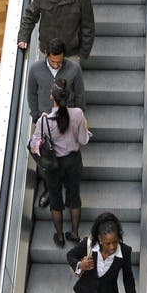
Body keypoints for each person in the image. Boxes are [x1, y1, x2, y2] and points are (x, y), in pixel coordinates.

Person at [30, 79, 90, 248]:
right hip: (73, 161)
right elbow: (83, 140)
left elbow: (34, 146)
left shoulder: (44, 121)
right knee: (74, 196)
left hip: (54, 164)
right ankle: (75, 233)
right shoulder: (78, 114)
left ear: (51, 97)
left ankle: (60, 236)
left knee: (55, 200)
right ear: (68, 97)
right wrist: (85, 126)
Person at [67, 211, 142, 293]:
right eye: (108, 243)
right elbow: (70, 255)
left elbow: (128, 279)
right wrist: (80, 265)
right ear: (100, 239)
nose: (112, 247)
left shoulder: (125, 251)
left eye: (115, 241)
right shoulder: (89, 244)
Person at [17, 0, 95, 61]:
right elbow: (30, 15)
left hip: (70, 54)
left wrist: (83, 54)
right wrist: (23, 37)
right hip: (46, 51)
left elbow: (88, 28)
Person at [28, 38, 86, 124]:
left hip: (68, 119)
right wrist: (36, 116)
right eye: (53, 61)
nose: (56, 65)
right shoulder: (35, 69)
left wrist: (78, 116)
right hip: (44, 119)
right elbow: (32, 94)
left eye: (59, 61)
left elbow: (80, 94)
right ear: (46, 54)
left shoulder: (75, 68)